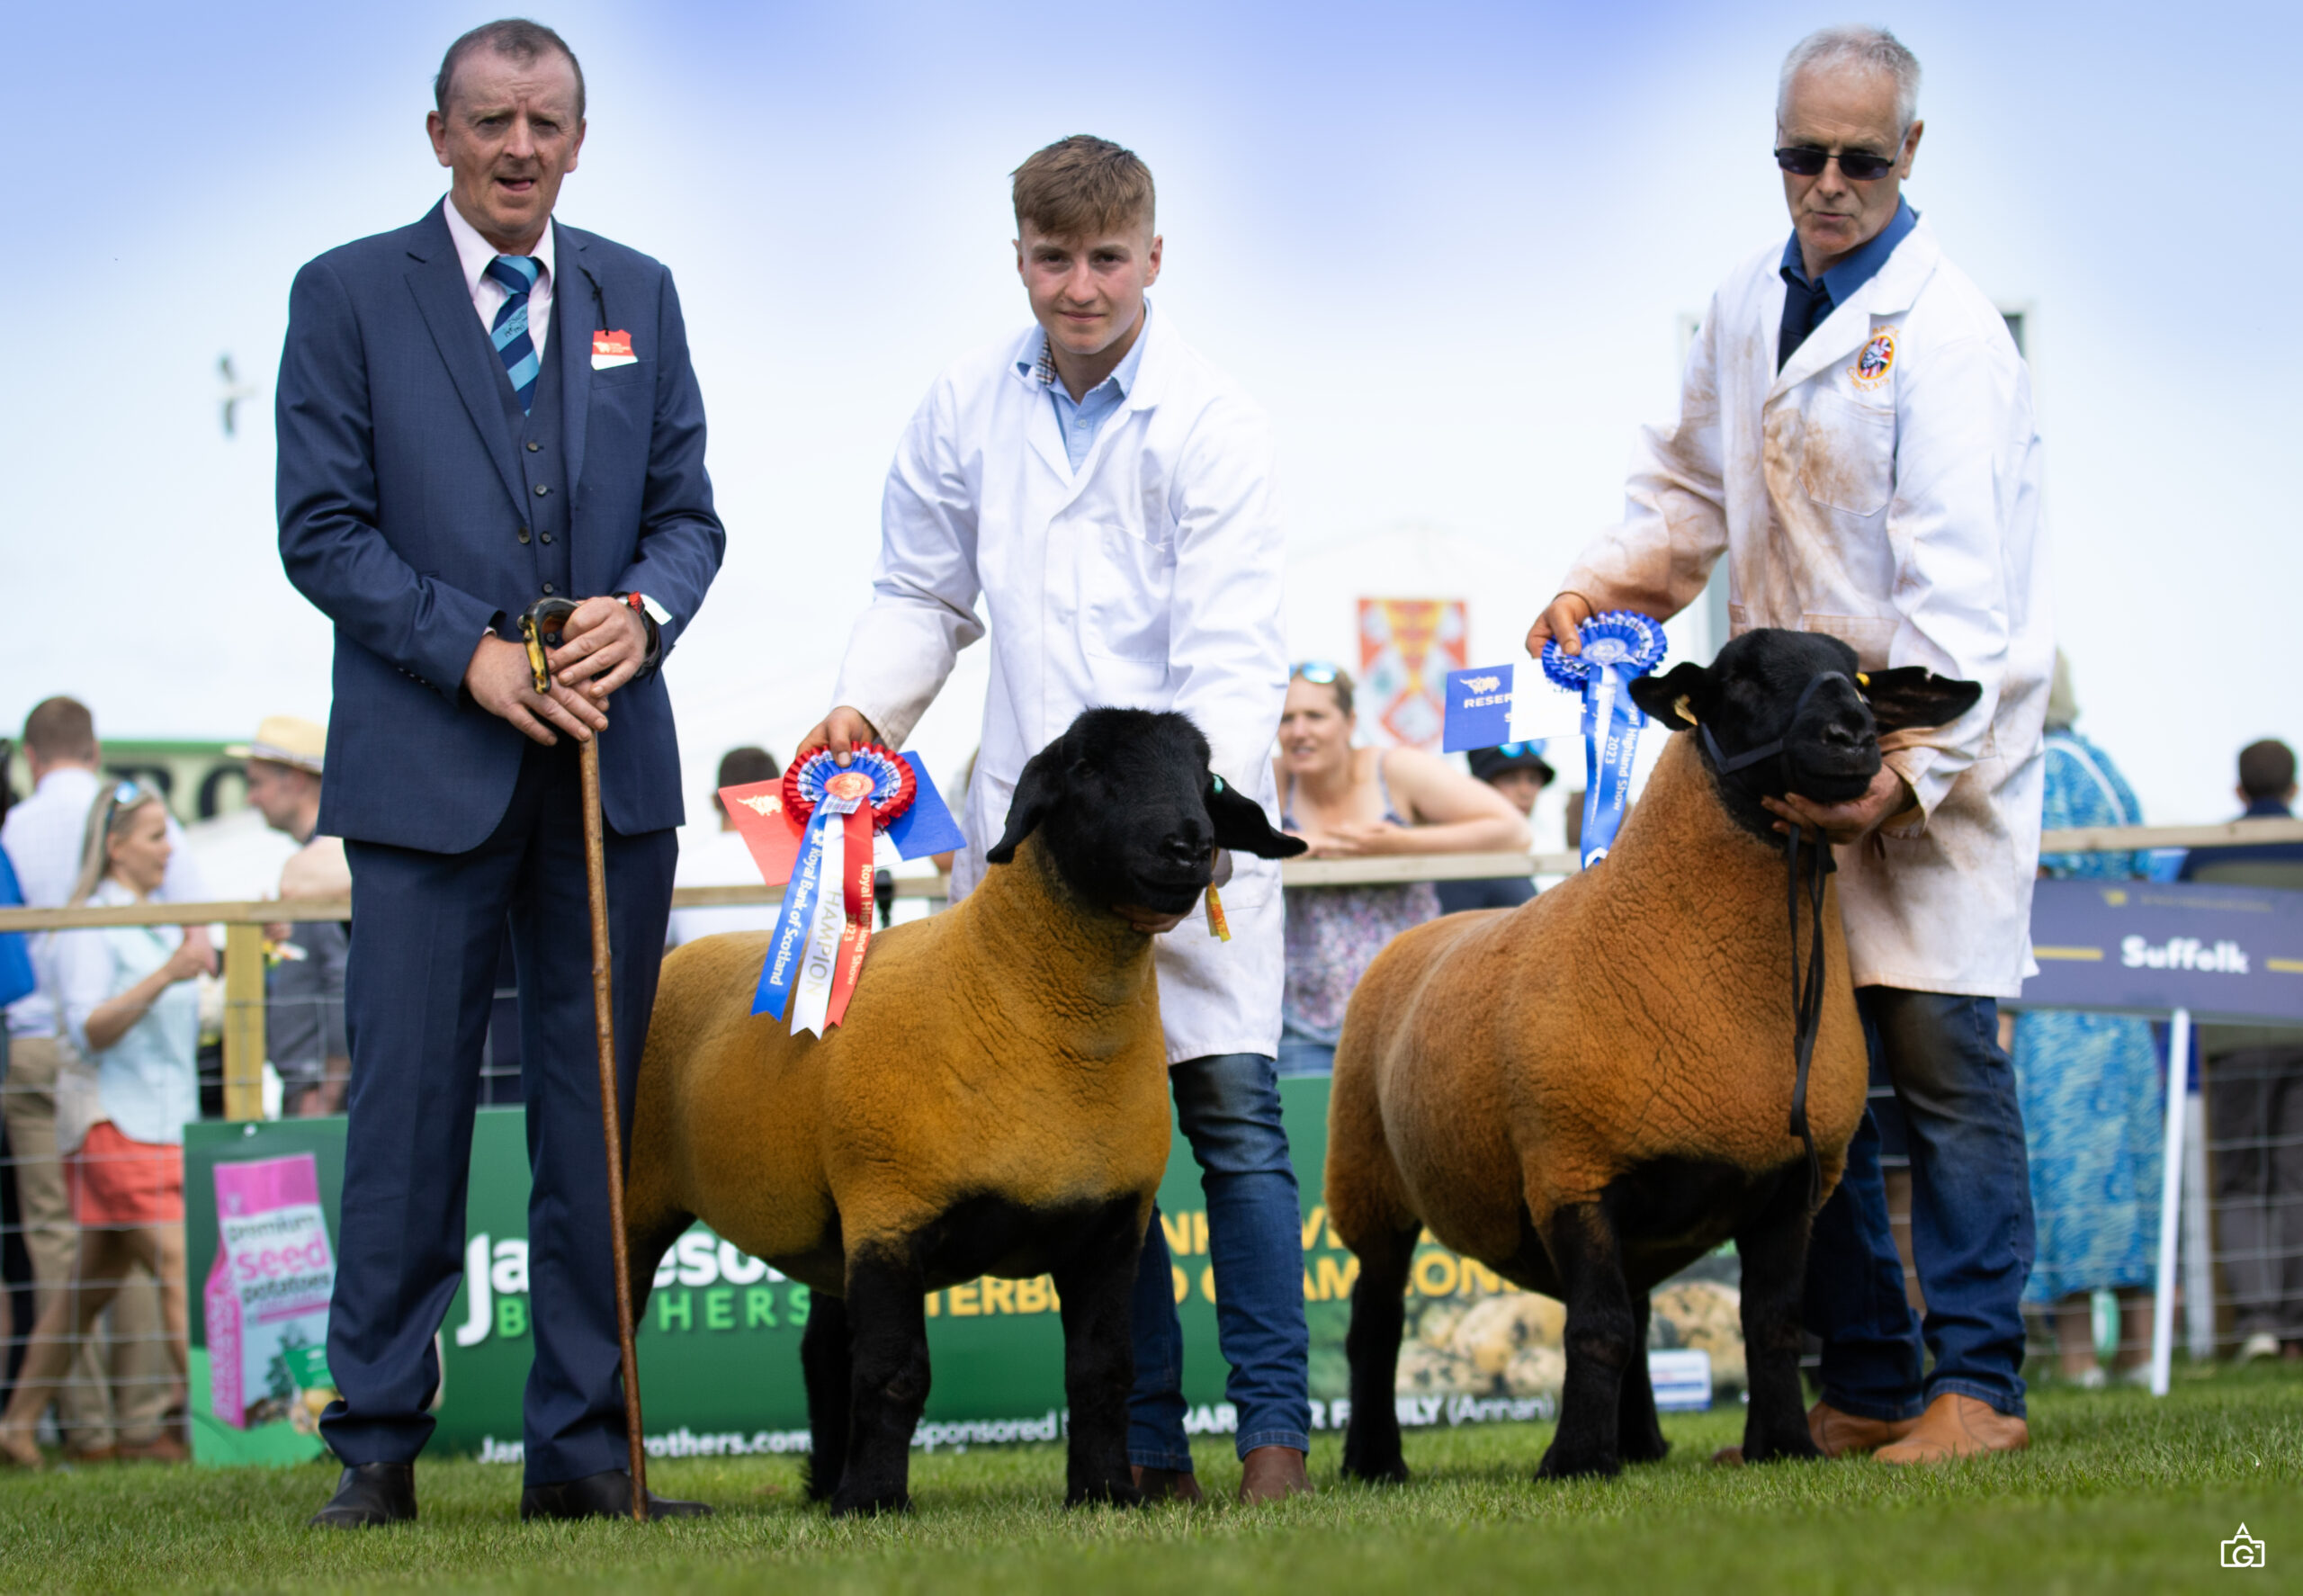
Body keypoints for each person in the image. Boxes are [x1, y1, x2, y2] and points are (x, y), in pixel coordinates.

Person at [1528, 25, 2050, 1462]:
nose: (1827, 184)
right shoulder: (1743, 304)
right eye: (1800, 156)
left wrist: (1897, 780)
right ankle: (1873, 1374)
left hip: (1923, 764)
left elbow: (1961, 609)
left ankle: (1983, 1388)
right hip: (1778, 770)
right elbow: (1684, 484)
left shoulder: (1951, 342)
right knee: (1811, 1091)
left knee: (1941, 1058)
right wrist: (1603, 580)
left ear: (1911, 155)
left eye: (1858, 159)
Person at [799, 136, 1310, 1502]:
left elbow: (1233, 653)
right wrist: (866, 711)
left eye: (1104, 258)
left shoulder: (1215, 422)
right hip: (1038, 853)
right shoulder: (965, 404)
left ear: (1154, 255)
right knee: (1096, 1160)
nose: (1079, 287)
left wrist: (1190, 833)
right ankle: (1145, 1445)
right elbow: (921, 590)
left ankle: (1273, 1439)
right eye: (1051, 258)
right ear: (1018, 254)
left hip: (1176, 836)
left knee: (1232, 1121)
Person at [274, 18, 724, 1526]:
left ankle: (585, 1453)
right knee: (405, 1117)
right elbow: (321, 527)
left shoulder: (639, 296)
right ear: (439, 135)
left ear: (578, 140)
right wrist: (465, 649)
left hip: (609, 777)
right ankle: (378, 1444)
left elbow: (690, 517)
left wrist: (642, 611)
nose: (517, 146)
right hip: (422, 777)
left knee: (594, 1125)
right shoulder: (344, 295)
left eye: (544, 122)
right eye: (489, 121)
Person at [1, 698, 195, 1463]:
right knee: (178, 1262)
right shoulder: (92, 921)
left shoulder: (153, 915)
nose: (169, 850)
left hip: (157, 1117)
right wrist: (170, 974)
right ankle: (236, 1432)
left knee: (87, 1282)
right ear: (117, 848)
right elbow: (86, 1025)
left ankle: (18, 1422)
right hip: (114, 1121)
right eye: (156, 837)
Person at [2010, 657, 2160, 1385]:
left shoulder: (2044, 771)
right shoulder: (2107, 769)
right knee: (2133, 1172)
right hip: (2122, 1008)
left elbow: (2027, 878)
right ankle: (2139, 1350)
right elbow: (2140, 874)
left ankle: (2077, 1359)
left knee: (2065, 1177)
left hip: (2059, 1011)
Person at [1274, 664, 1529, 1077]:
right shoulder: (1272, 779)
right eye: (1286, 718)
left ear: (1350, 722)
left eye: (1315, 716)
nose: (1299, 731)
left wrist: (1399, 843)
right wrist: (1285, 847)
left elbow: (1512, 831)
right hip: (1305, 1020)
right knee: (1311, 1138)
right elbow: (1209, 846)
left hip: (1409, 1013)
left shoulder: (1395, 769)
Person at [2181, 739, 2303, 1362]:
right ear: (2294, 789)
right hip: (2299, 1035)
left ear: (2237, 791)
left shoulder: (2205, 857)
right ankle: (2292, 1329)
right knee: (2294, 1180)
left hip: (2231, 1040)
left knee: (2239, 1181)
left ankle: (2255, 1323)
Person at [233, 717, 351, 1117]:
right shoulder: (332, 860)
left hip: (321, 1098)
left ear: (297, 781)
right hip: (317, 1089)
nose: (251, 798)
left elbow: (342, 978)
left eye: (256, 783)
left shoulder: (317, 870)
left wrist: (328, 1088)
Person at [665, 747, 783, 948]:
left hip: (699, 977)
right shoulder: (808, 868)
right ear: (778, 798)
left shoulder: (678, 871)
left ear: (715, 801)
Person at [1434, 741, 1555, 915]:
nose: (1525, 791)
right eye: (1511, 779)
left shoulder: (1508, 854)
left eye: (1533, 779)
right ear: (1481, 787)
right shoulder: (1463, 854)